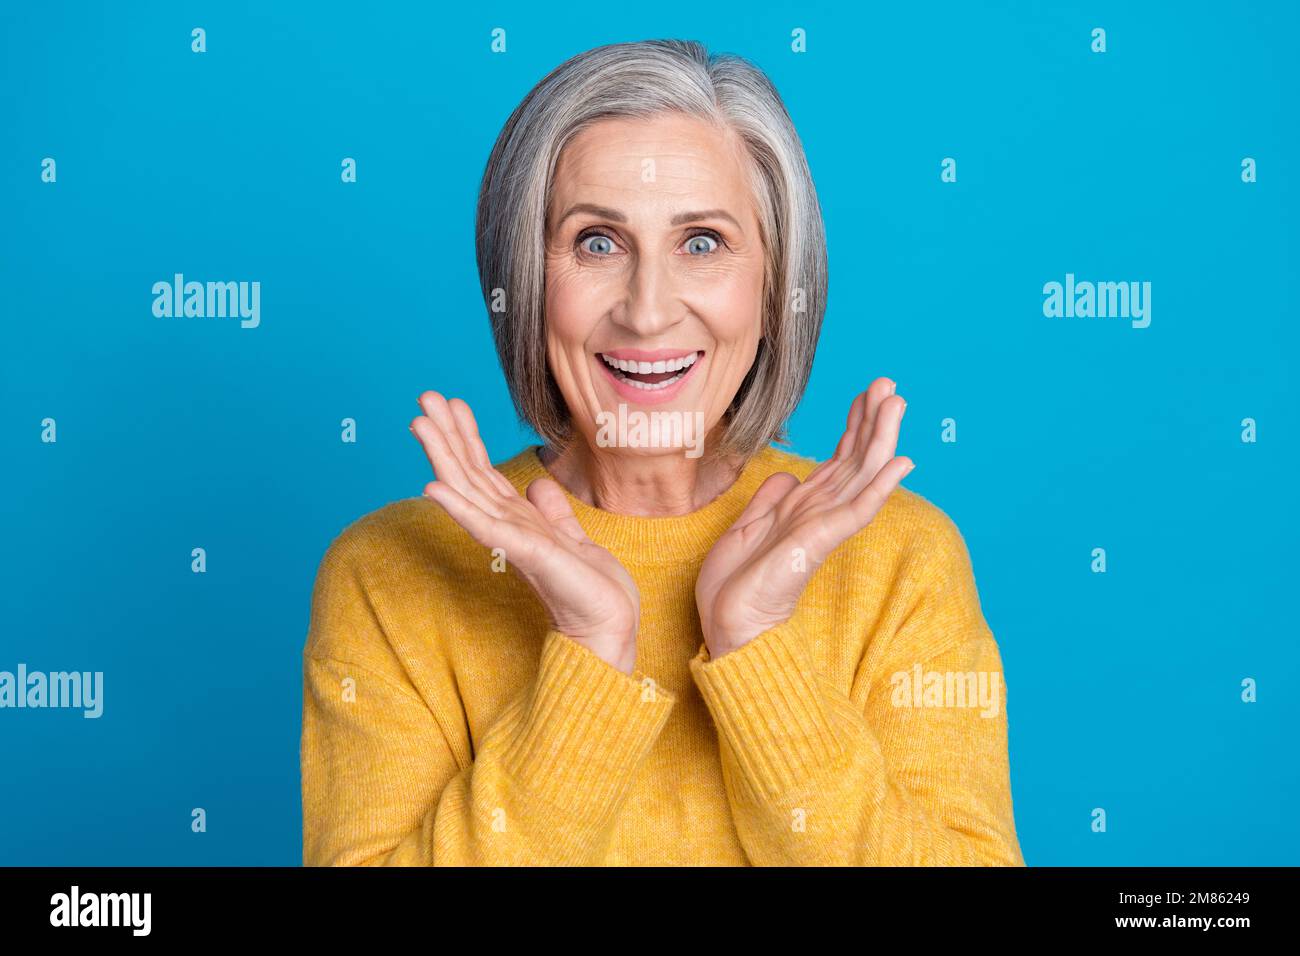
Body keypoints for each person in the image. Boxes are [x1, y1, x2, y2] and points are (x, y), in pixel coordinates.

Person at [300, 39, 1025, 866]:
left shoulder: (901, 559)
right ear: (524, 283)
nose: (647, 313)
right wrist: (586, 653)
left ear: (776, 283)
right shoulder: (392, 573)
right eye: (597, 243)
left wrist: (756, 648)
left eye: (704, 243)